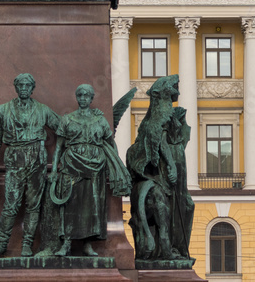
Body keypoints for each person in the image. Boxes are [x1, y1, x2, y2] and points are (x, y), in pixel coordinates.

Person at [49, 84, 131, 256]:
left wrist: (115, 165)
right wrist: (55, 170)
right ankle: (66, 243)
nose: (83, 98)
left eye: (87, 95)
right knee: (70, 203)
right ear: (76, 97)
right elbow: (58, 147)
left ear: (92, 98)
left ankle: (87, 244)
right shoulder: (67, 119)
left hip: (96, 167)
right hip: (71, 165)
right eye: (80, 95)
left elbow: (110, 143)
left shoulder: (100, 120)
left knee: (92, 205)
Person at [0, 73, 60, 258]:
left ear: (32, 88)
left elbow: (63, 127)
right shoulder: (3, 110)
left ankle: (27, 244)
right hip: (15, 158)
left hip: (36, 158)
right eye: (21, 85)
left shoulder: (43, 110)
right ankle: (1, 244)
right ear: (16, 87)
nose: (24, 88)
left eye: (28, 85)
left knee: (33, 206)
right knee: (11, 204)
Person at [126, 75, 195, 262]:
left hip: (175, 166)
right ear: (163, 92)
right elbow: (161, 142)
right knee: (177, 207)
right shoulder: (161, 112)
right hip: (167, 169)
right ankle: (168, 248)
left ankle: (174, 247)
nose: (177, 91)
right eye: (173, 87)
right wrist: (171, 165)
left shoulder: (168, 112)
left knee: (184, 206)